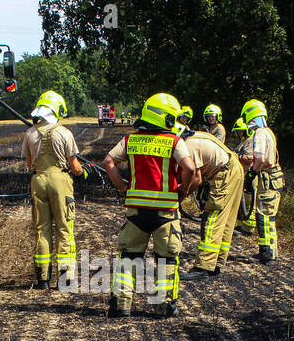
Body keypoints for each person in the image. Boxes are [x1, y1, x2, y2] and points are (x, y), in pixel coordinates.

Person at [101, 93, 198, 318]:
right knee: (166, 260)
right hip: (165, 212)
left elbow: (108, 162)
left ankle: (121, 306)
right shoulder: (175, 141)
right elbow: (190, 169)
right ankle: (162, 306)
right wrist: (183, 189)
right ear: (165, 118)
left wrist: (123, 187)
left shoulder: (130, 140)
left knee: (129, 257)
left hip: (136, 211)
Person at [23, 90, 85, 289]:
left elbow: (29, 163)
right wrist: (82, 173)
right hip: (60, 182)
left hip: (38, 180)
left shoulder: (30, 133)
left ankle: (42, 279)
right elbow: (75, 167)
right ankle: (65, 279)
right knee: (64, 228)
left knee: (42, 230)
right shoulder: (64, 133)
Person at [180, 124, 244, 279]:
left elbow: (196, 178)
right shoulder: (196, 137)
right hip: (234, 169)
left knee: (212, 218)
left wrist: (181, 196)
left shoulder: (187, 146)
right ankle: (216, 263)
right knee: (226, 221)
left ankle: (203, 267)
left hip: (225, 174)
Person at [237, 99, 284, 263]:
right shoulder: (269, 132)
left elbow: (260, 158)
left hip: (267, 178)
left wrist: (251, 174)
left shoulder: (260, 133)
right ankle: (268, 250)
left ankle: (268, 253)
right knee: (266, 215)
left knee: (264, 216)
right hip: (273, 178)